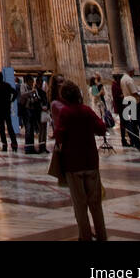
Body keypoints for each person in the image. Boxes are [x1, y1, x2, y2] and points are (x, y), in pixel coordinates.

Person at [53, 81, 108, 242]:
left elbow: (60, 135)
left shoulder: (66, 113)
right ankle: (102, 236)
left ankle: (85, 237)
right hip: (91, 162)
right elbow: (101, 128)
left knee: (80, 206)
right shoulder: (86, 110)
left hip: (73, 165)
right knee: (96, 205)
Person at [0, 71, 19, 153]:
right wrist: (12, 100)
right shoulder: (7, 85)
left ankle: (4, 145)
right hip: (7, 108)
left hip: (0, 109)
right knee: (10, 127)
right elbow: (15, 92)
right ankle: (14, 144)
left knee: (2, 128)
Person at [119, 71, 140, 151]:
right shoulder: (129, 80)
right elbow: (134, 92)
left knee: (132, 124)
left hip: (127, 103)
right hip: (133, 102)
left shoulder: (122, 79)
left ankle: (135, 142)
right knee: (139, 124)